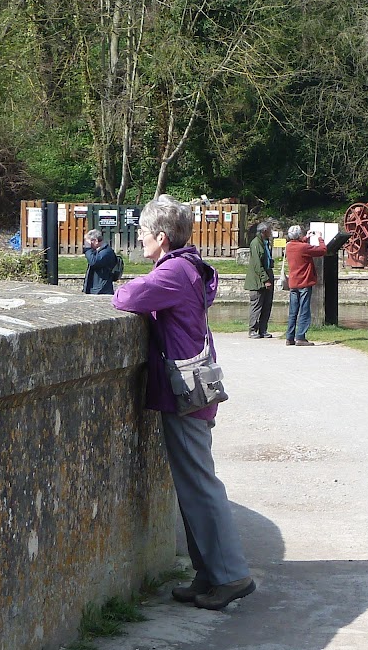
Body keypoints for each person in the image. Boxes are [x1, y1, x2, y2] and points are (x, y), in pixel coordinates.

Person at [113, 195, 256, 610]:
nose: (138, 238)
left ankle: (231, 576)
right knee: (192, 484)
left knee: (200, 482)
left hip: (186, 391)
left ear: (160, 237)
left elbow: (126, 298)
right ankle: (209, 573)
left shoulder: (173, 271)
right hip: (192, 386)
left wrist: (124, 288)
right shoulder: (186, 266)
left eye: (142, 232)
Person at [282, 225, 328, 346]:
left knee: (293, 311)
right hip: (304, 282)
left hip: (293, 283)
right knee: (304, 310)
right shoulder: (303, 247)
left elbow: (299, 247)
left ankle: (289, 337)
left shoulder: (288, 246)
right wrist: (320, 238)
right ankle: (300, 337)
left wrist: (306, 238)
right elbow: (322, 250)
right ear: (298, 236)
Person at [243, 220, 276, 338]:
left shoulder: (266, 242)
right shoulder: (255, 243)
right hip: (258, 281)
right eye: (270, 230)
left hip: (267, 276)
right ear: (264, 231)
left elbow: (266, 259)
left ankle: (263, 329)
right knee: (256, 305)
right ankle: (252, 329)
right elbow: (257, 264)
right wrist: (265, 279)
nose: (271, 232)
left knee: (267, 305)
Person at [82, 228, 120, 295]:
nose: (86, 244)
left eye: (88, 242)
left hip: (101, 290)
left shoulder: (106, 252)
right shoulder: (99, 250)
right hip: (96, 288)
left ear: (96, 241)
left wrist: (88, 249)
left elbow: (94, 262)